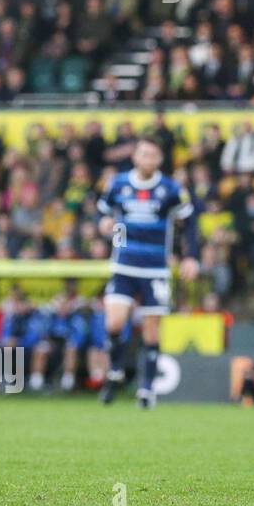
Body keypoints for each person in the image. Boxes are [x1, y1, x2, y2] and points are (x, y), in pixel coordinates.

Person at [96, 136, 199, 408]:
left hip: (156, 268)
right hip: (123, 263)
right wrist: (105, 224)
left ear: (159, 160)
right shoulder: (118, 184)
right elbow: (103, 213)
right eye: (144, 154)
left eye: (153, 155)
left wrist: (190, 256)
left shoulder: (171, 188)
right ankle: (116, 369)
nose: (148, 159)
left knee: (152, 331)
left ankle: (146, 390)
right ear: (135, 157)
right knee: (114, 323)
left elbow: (189, 222)